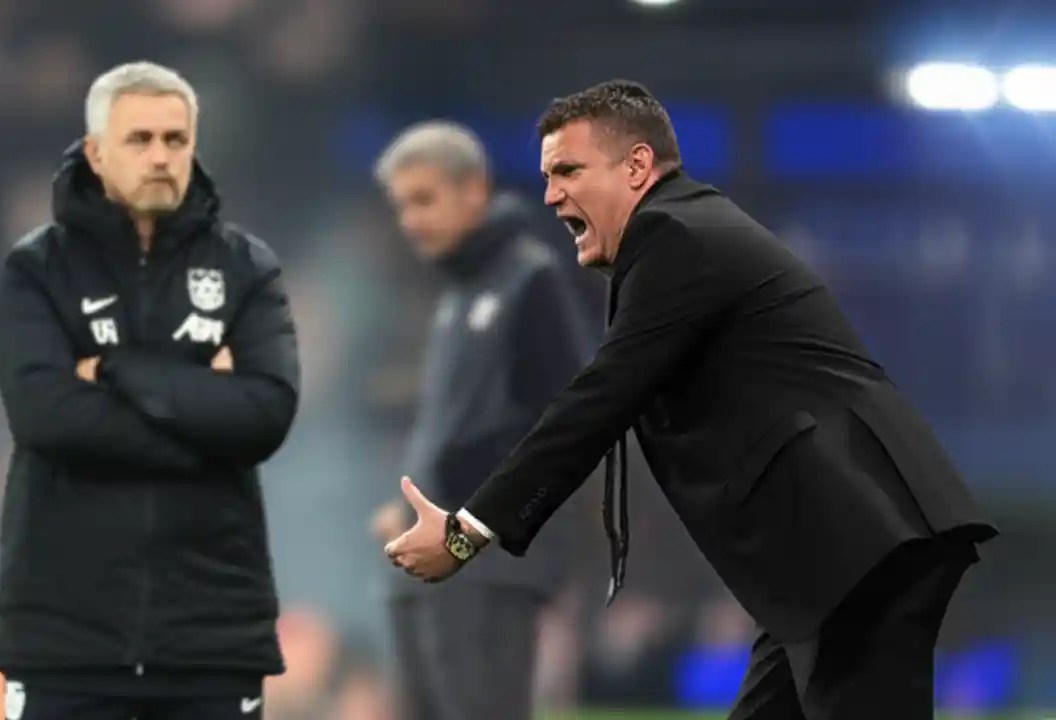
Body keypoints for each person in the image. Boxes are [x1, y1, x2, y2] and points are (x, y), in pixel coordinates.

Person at [383, 79, 998, 720]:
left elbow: (598, 400)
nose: (550, 194)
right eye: (545, 175)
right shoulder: (682, 233)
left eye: (568, 169)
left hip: (858, 544)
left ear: (637, 166)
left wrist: (466, 534)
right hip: (825, 562)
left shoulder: (675, 237)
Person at [0, 61, 299, 720]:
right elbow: (46, 419)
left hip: (211, 637)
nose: (161, 156)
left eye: (175, 139)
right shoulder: (37, 268)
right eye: (139, 140)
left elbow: (265, 417)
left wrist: (111, 371)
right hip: (64, 640)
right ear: (97, 153)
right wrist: (204, 424)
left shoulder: (246, 267)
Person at [368, 121, 598, 720]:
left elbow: (564, 420)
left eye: (424, 199)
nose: (410, 220)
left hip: (483, 558)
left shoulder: (530, 279)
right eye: (401, 206)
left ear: (474, 189)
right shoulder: (458, 292)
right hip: (431, 556)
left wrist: (452, 496)